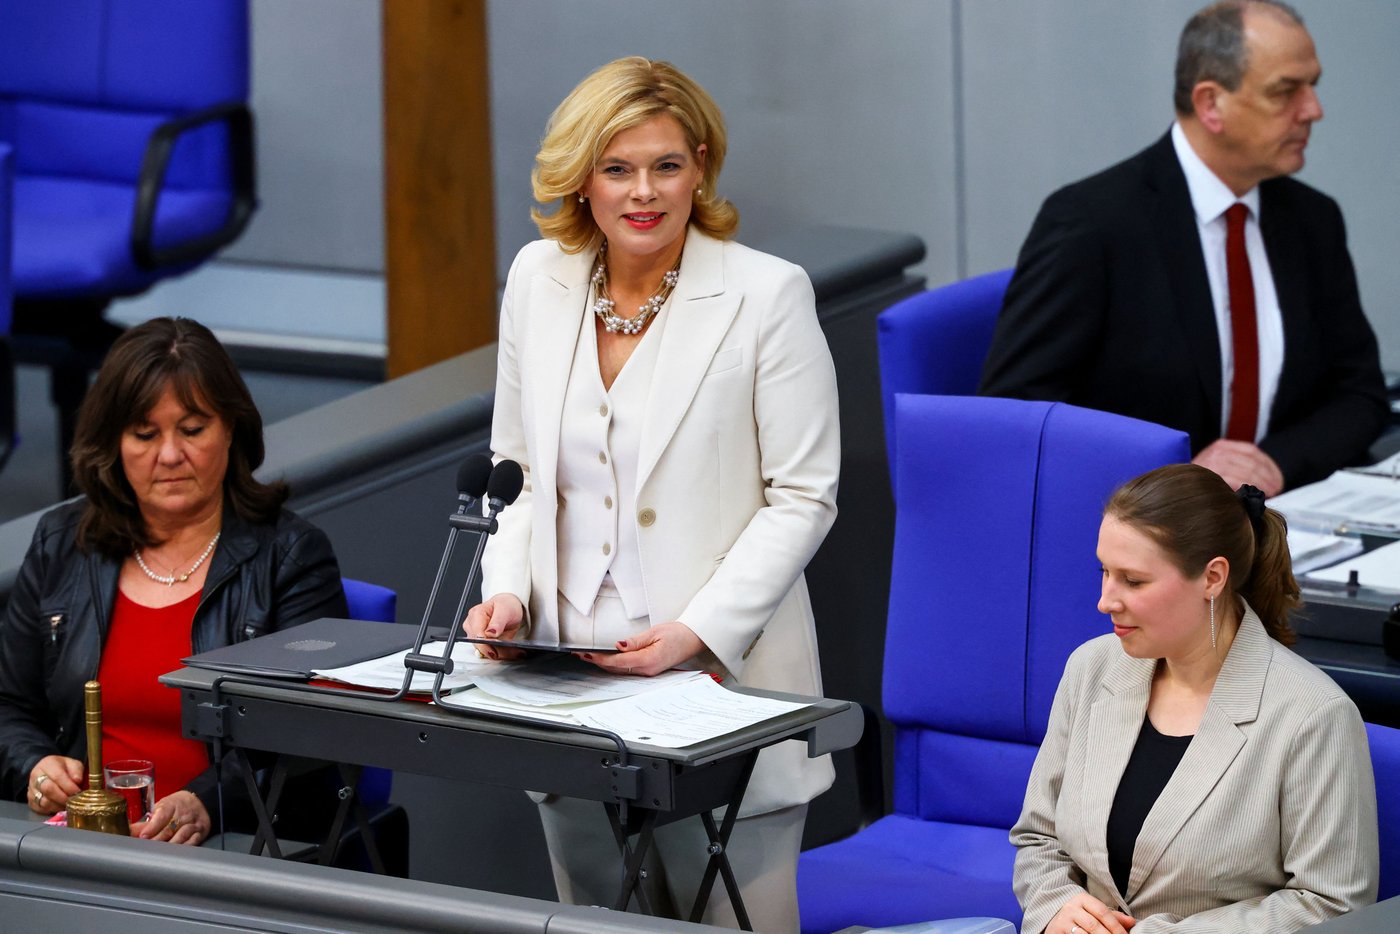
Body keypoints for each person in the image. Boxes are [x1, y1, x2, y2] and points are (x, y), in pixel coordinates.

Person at [464, 57, 839, 931]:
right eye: (618, 167)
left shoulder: (766, 295)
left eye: (667, 165)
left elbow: (805, 496)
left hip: (721, 686)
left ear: (701, 165)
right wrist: (508, 591)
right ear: (580, 177)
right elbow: (513, 468)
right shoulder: (536, 278)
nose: (645, 192)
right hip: (563, 681)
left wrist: (697, 633)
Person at [978, 0, 1387, 496]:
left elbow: (1360, 393)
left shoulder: (1312, 219)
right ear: (1211, 103)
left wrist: (1274, 465)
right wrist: (1176, 471)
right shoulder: (1092, 224)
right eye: (1286, 92)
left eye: (1313, 85)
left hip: (1283, 522)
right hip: (1136, 533)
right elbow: (1017, 418)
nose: (1313, 110)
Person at [0, 317, 348, 845]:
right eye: (144, 434)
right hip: (80, 844)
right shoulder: (62, 542)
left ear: (230, 429)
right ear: (113, 442)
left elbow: (309, 733)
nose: (169, 456)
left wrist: (206, 803)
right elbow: (7, 705)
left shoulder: (291, 556)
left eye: (192, 430)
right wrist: (36, 766)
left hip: (229, 851)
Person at [1012, 463, 1378, 933]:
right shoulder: (1092, 668)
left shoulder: (1313, 716)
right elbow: (1039, 836)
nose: (1106, 600)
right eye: (1104, 572)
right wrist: (1056, 905)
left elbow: (1333, 904)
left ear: (1212, 578)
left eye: (1133, 580)